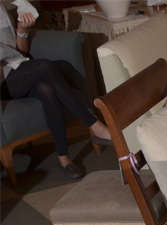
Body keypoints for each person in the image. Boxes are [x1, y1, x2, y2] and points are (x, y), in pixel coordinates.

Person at [0, 0, 112, 179]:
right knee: (48, 67)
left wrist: (22, 29)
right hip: (3, 82)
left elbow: (21, 51)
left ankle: (64, 158)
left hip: (18, 70)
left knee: (47, 88)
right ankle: (94, 123)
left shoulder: (2, 9)